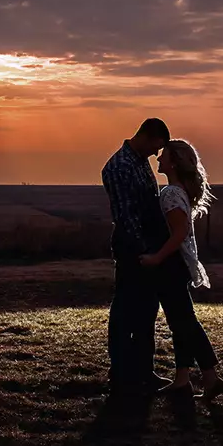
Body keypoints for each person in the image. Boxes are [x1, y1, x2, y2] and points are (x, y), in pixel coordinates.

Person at [140, 139, 223, 401]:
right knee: (180, 322)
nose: (158, 160)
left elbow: (179, 233)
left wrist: (157, 258)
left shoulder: (170, 194)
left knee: (185, 322)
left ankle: (211, 377)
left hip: (171, 266)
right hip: (175, 265)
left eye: (163, 156)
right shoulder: (178, 192)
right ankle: (182, 379)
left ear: (174, 162)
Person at [100, 117, 172, 394]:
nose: (157, 154)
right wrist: (144, 250)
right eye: (157, 146)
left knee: (146, 311)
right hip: (133, 248)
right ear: (147, 136)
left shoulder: (138, 162)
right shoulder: (119, 167)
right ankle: (120, 373)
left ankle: (144, 371)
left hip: (147, 246)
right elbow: (125, 215)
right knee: (125, 311)